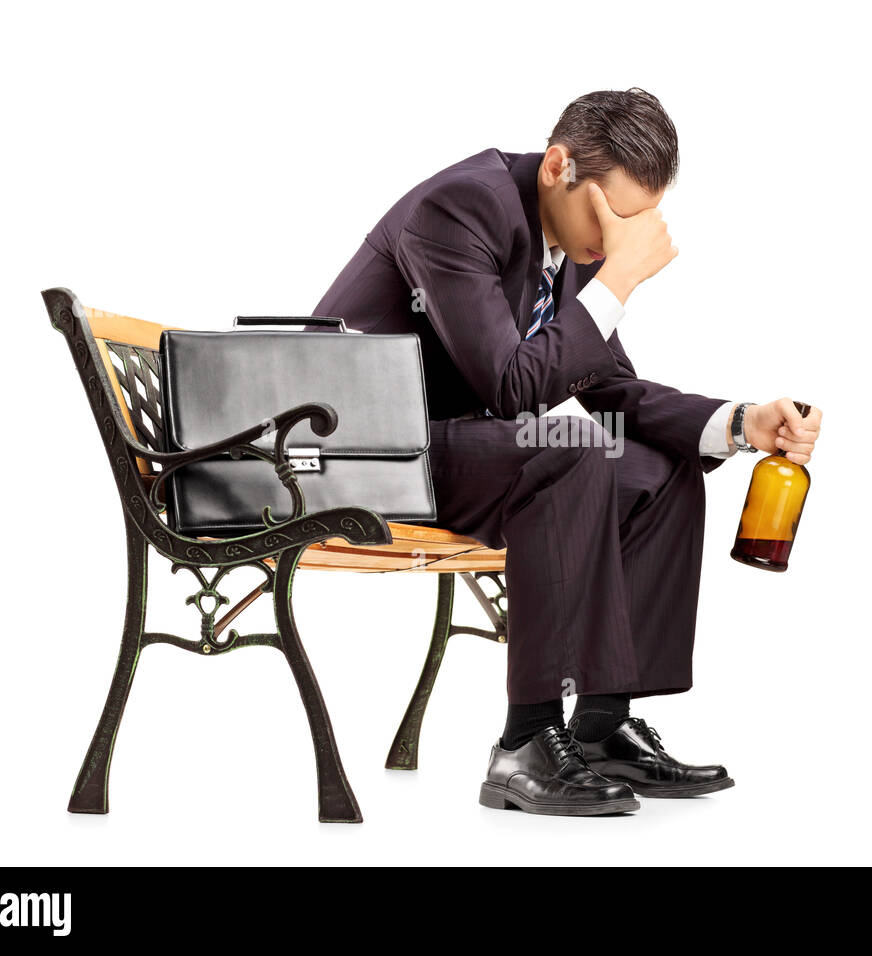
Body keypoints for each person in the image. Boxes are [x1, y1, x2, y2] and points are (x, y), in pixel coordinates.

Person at [313, 87, 822, 816]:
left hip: (460, 446)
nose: (621, 238)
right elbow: (513, 386)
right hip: (370, 452)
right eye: (613, 215)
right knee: (571, 446)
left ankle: (602, 726)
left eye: (639, 222)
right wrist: (617, 279)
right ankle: (524, 742)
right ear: (559, 166)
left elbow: (612, 387)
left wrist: (741, 424)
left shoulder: (566, 237)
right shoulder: (459, 209)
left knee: (657, 467)